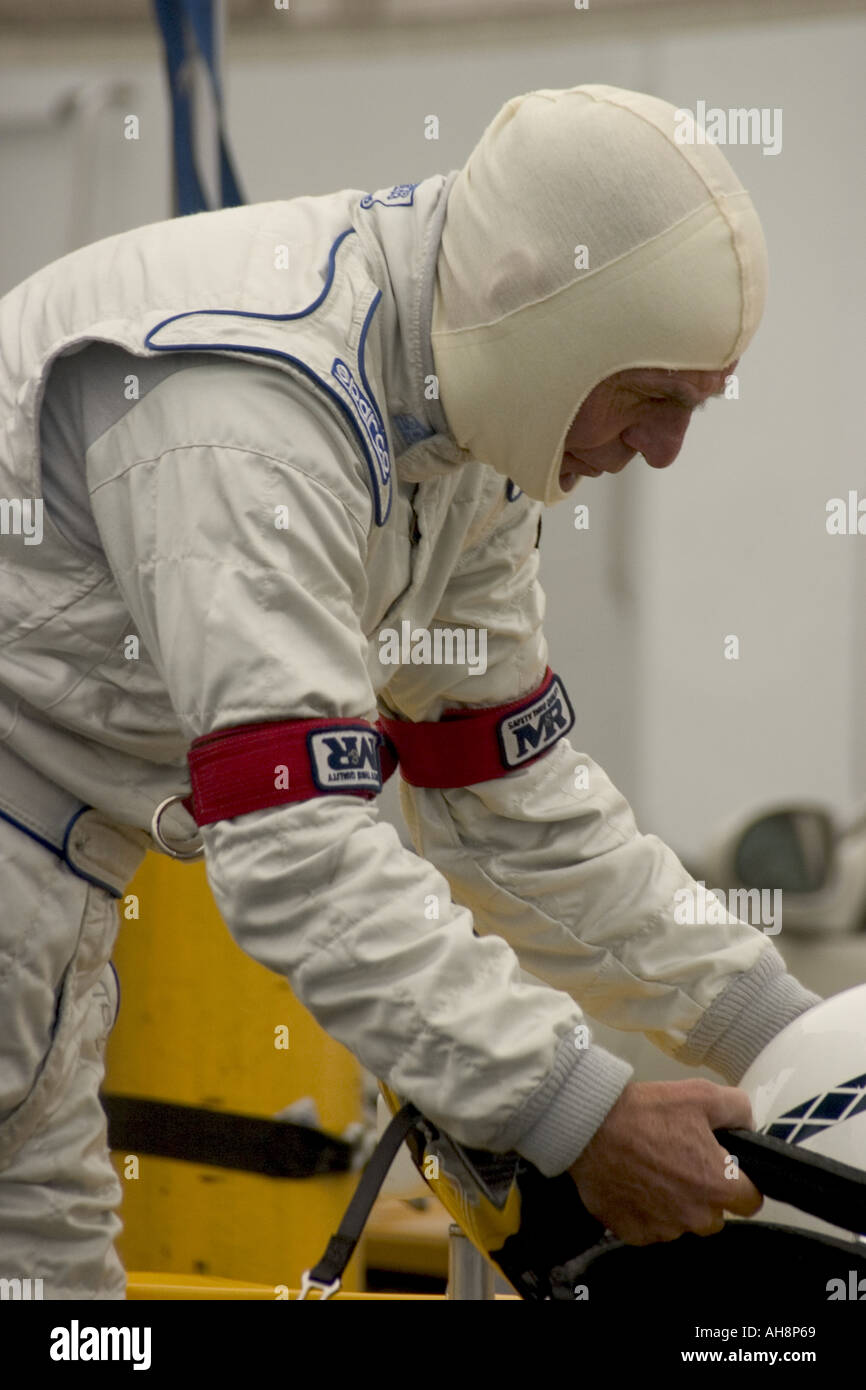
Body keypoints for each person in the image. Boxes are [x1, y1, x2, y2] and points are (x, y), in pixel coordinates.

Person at [0, 82, 820, 1298]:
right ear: (533, 312)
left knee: (60, 1300)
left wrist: (801, 1041)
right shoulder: (247, 412)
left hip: (55, 893)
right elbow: (295, 853)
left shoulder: (475, 431)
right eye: (650, 396)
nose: (663, 451)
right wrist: (578, 1113)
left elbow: (510, 810)